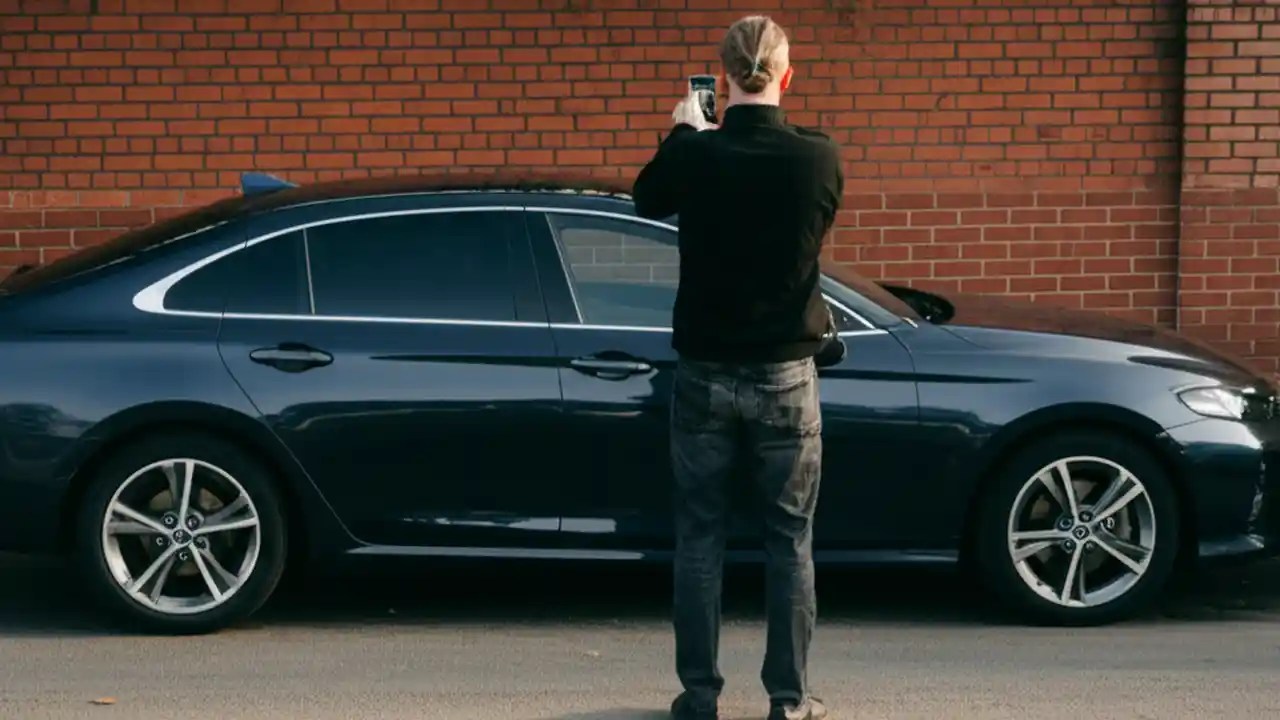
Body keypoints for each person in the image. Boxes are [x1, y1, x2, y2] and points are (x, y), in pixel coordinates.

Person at [631, 14, 844, 720]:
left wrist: (684, 132)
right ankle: (788, 700)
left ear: (721, 79)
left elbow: (647, 199)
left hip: (704, 374)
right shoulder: (818, 157)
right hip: (786, 375)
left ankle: (699, 696)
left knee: (700, 538)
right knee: (789, 543)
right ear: (787, 76)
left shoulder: (697, 154)